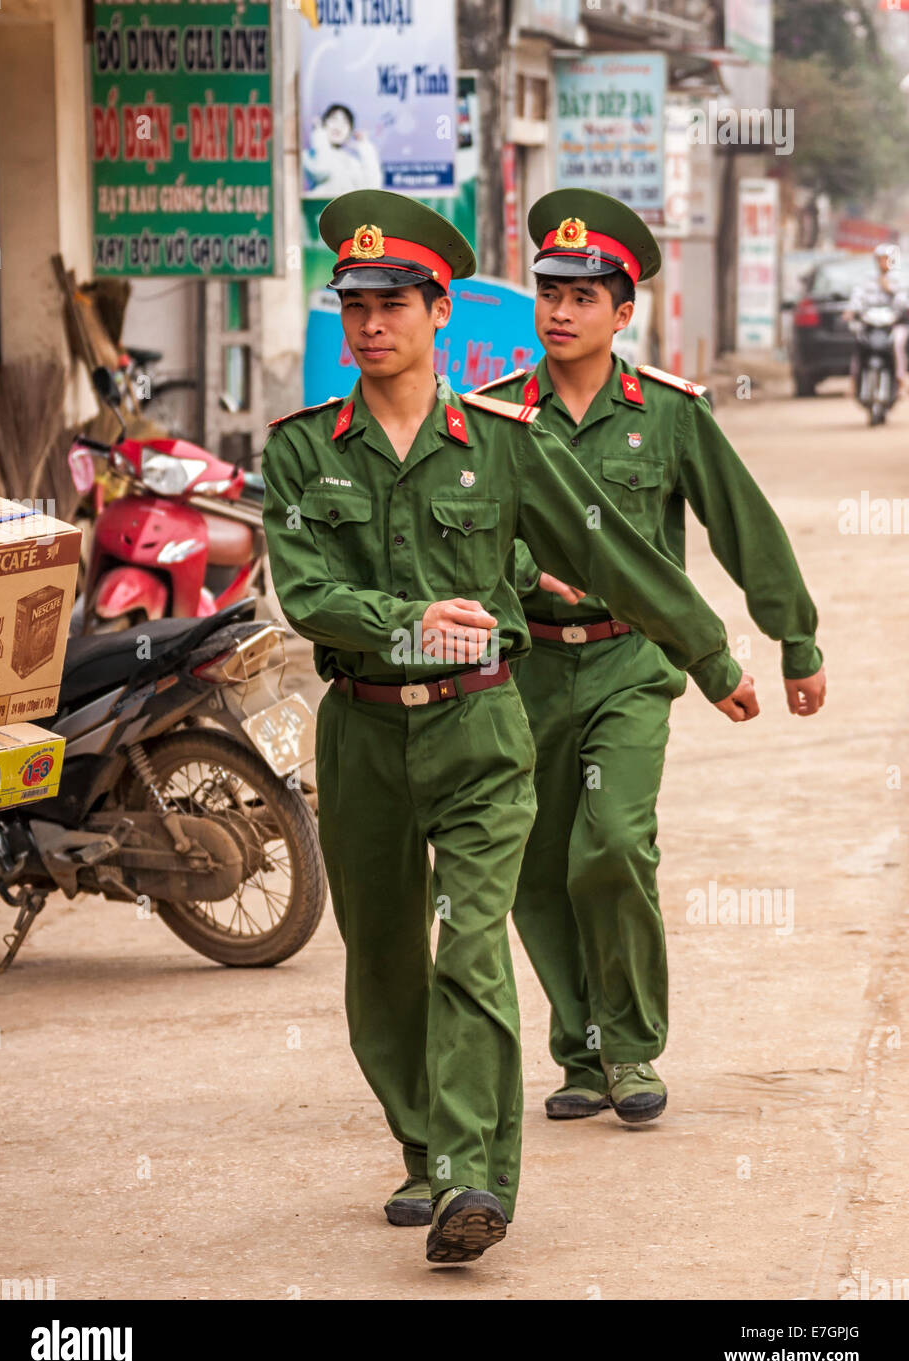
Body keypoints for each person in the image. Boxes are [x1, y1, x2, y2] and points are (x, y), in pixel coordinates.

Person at [260, 190, 758, 1265]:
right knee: (383, 960)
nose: (370, 323)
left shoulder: (503, 442)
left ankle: (474, 1179)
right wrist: (407, 622)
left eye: (393, 302)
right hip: (360, 733)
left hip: (483, 728)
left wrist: (710, 654)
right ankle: (425, 1147)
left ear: (441, 311)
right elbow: (305, 591)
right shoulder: (302, 452)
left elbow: (620, 554)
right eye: (354, 304)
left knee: (470, 945)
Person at [475, 188, 825, 1128]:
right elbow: (467, 532)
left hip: (632, 664)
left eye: (584, 296)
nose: (559, 310)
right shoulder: (498, 416)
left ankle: (630, 1049)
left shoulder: (666, 414)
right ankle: (579, 1049)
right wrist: (516, 570)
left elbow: (740, 524)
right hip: (529, 670)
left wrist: (794, 638)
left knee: (614, 844)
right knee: (538, 865)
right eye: (549, 290)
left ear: (623, 313)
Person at [845, 242, 909, 394]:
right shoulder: (868, 278)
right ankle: (854, 380)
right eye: (880, 259)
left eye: (886, 259)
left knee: (898, 345)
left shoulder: (899, 279)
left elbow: (904, 301)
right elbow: (858, 295)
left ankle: (900, 378)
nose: (883, 262)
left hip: (893, 322)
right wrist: (851, 310)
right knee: (859, 343)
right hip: (871, 322)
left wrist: (890, 289)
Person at [302, 104, 383, 198]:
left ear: (350, 132)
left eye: (345, 122)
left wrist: (365, 147)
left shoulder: (352, 162)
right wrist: (319, 134)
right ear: (323, 124)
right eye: (334, 119)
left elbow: (372, 187)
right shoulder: (308, 156)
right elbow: (322, 171)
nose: (338, 126)